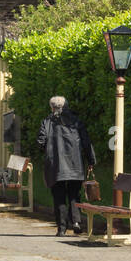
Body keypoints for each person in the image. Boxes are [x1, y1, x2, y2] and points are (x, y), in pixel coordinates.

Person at [37, 95, 96, 237]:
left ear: (52, 108)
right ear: (66, 106)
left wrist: (46, 151)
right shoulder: (76, 121)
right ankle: (76, 222)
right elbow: (86, 142)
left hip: (55, 165)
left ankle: (61, 228)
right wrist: (91, 160)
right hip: (75, 163)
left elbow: (41, 142)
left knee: (59, 196)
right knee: (74, 194)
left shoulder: (47, 122)